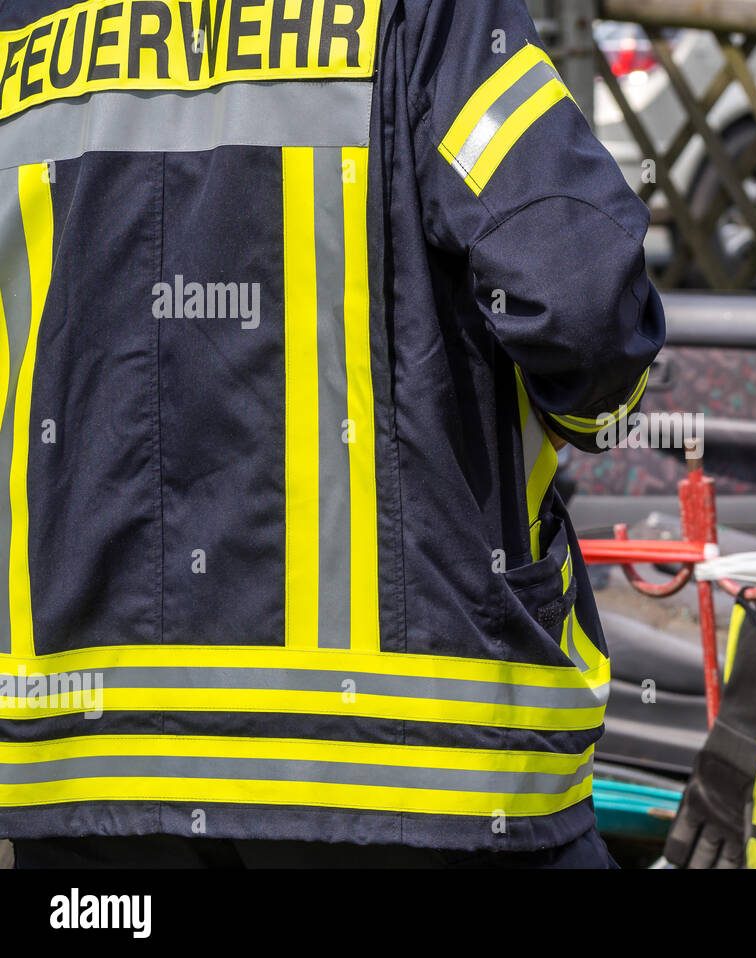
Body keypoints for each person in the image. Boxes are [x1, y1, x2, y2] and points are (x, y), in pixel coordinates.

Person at [0, 0, 663, 868]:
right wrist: (593, 417)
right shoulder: (427, 15)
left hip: (79, 767)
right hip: (422, 764)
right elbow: (580, 295)